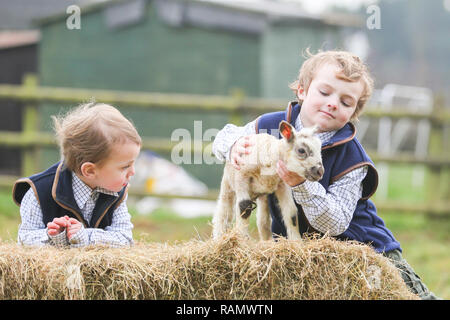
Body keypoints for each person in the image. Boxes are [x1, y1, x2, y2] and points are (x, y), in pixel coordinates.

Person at [212, 49, 439, 300]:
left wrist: (301, 184)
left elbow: (335, 223)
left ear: (353, 114)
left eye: (345, 102)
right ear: (302, 90)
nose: (333, 103)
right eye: (324, 92)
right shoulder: (270, 125)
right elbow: (225, 134)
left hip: (366, 251)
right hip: (300, 256)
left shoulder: (353, 159)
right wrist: (233, 145)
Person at [13, 102, 141, 248]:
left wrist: (86, 236)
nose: (133, 172)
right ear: (90, 171)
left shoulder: (117, 192)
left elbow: (125, 238)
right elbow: (24, 240)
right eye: (125, 167)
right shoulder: (38, 191)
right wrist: (53, 236)